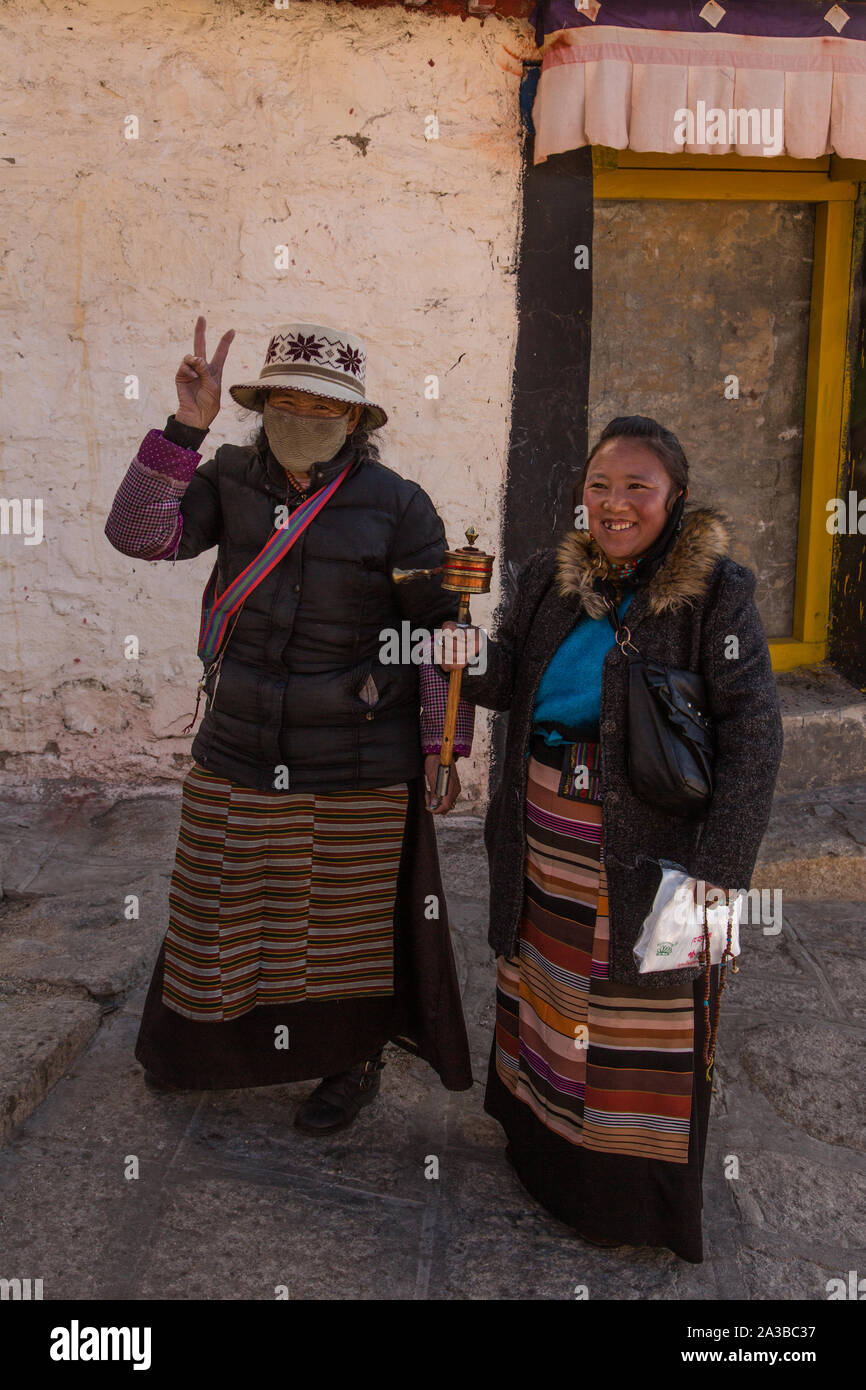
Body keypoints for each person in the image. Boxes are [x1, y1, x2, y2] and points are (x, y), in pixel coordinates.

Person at [105, 316, 475, 1132]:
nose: (305, 415)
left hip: (357, 758)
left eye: (325, 405)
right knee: (219, 905)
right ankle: (199, 1051)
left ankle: (349, 1062)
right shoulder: (228, 477)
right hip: (237, 739)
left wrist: (442, 748)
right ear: (263, 402)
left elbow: (438, 633)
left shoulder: (400, 506)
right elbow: (136, 534)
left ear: (355, 421)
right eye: (289, 399)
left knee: (339, 927)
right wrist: (186, 428)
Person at [438, 415, 783, 1262]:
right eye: (600, 485)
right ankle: (544, 1157)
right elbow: (509, 680)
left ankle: (626, 1203)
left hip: (659, 846)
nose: (615, 503)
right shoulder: (545, 578)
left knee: (648, 1017)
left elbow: (755, 733)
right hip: (546, 826)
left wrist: (717, 879)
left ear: (678, 497)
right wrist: (463, 653)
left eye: (638, 487)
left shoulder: (717, 593)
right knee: (554, 992)